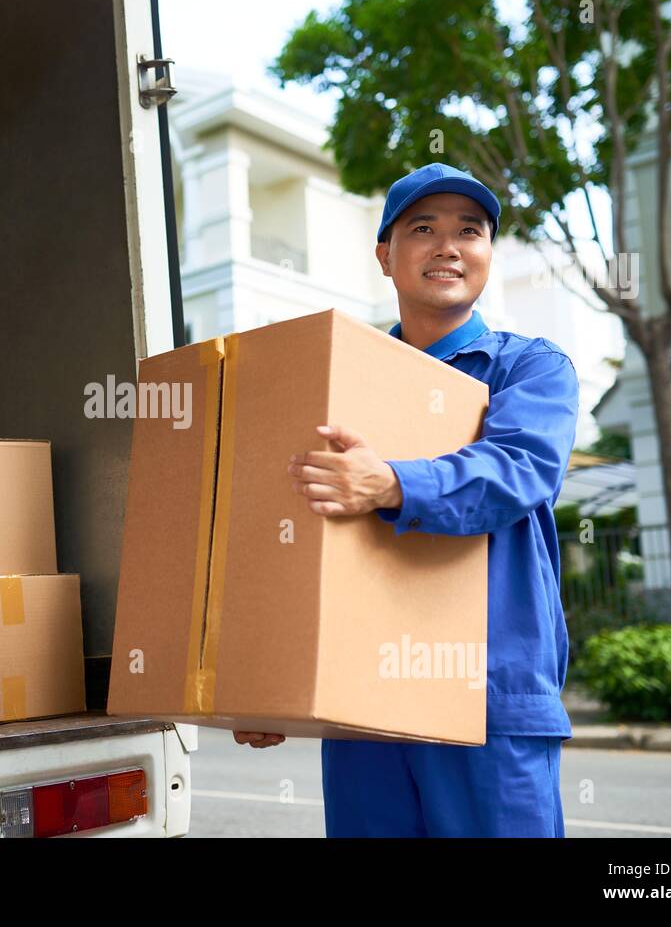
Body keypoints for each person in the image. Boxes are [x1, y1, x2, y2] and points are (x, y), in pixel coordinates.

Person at [234, 162, 577, 838]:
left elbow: (516, 469)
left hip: (489, 702)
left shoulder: (531, 368)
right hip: (363, 704)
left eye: (469, 231)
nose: (449, 245)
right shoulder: (339, 383)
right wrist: (261, 675)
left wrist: (389, 483)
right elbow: (286, 527)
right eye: (424, 228)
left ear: (486, 256)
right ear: (386, 256)